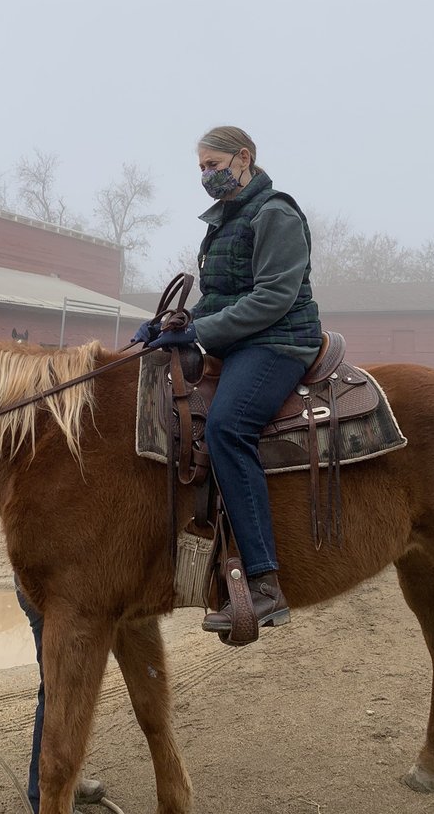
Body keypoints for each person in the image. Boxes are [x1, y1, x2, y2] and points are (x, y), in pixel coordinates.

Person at [133, 126, 322, 635]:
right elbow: (218, 297)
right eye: (200, 168)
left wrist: (200, 332)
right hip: (238, 341)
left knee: (225, 428)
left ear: (244, 158)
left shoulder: (276, 213)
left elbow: (272, 299)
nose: (206, 176)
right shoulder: (226, 220)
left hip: (280, 341)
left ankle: (265, 583)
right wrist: (171, 325)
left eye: (213, 165)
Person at [15, 577, 106, 812]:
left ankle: (68, 784)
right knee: (57, 690)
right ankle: (42, 798)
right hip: (51, 590)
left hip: (61, 587)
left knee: (69, 685)